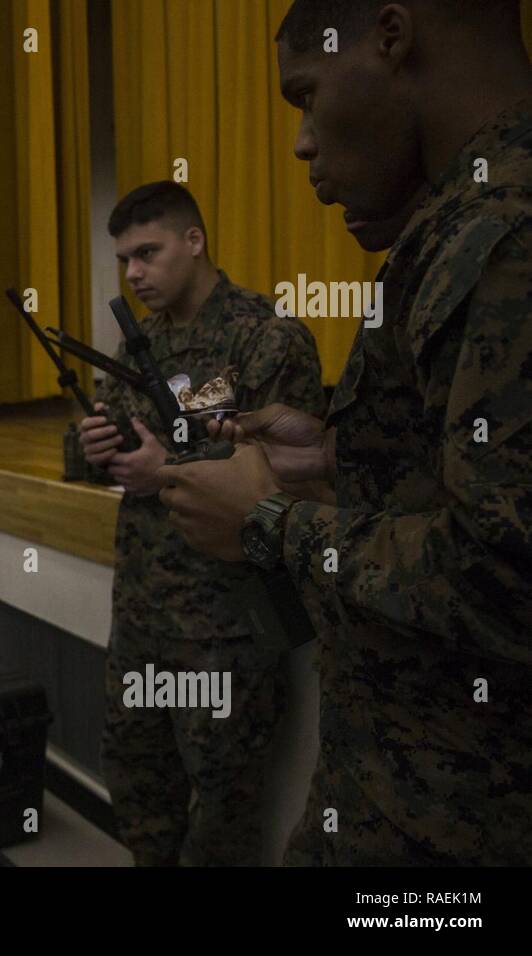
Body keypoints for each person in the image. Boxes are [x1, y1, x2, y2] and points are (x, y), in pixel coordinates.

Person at [157, 0, 532, 864]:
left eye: (305, 94)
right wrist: (338, 461)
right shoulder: (452, 223)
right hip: (403, 790)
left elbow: (506, 577)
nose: (300, 141)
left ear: (391, 37)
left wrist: (272, 525)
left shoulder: (502, 232)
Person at [76, 182, 326, 865]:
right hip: (142, 613)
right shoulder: (137, 345)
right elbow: (93, 446)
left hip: (226, 625)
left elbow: (292, 476)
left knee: (222, 811)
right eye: (124, 258)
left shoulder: (267, 338)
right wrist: (92, 447)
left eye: (148, 253)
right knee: (136, 784)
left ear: (194, 241)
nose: (133, 273)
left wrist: (170, 470)